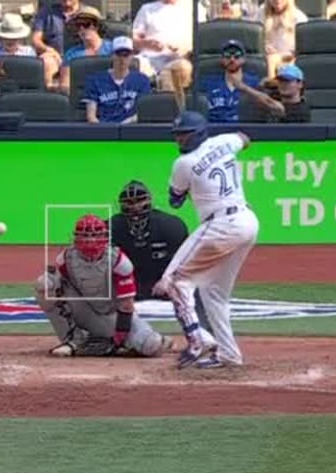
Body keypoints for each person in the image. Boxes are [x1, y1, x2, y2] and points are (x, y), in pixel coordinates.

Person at [155, 112, 260, 370]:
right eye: (178, 134)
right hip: (247, 222)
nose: (180, 139)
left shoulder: (184, 163)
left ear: (199, 132)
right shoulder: (225, 141)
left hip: (220, 224)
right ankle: (228, 354)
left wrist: (192, 188)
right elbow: (245, 138)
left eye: (185, 133)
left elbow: (174, 200)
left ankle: (197, 341)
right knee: (213, 294)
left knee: (173, 282)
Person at [34, 214, 174, 359]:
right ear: (76, 237)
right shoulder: (66, 257)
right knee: (44, 286)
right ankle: (73, 340)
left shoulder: (118, 261)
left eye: (95, 235)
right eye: (85, 236)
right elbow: (58, 285)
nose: (90, 241)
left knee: (152, 345)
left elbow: (126, 305)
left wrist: (120, 335)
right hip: (85, 310)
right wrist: (47, 281)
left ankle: (117, 343)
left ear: (104, 236)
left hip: (113, 315)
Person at [110, 179, 191, 303]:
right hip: (125, 289)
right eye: (129, 202)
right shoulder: (110, 228)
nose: (135, 207)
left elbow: (186, 262)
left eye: (139, 201)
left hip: (163, 287)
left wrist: (169, 279)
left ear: (149, 201)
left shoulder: (172, 226)